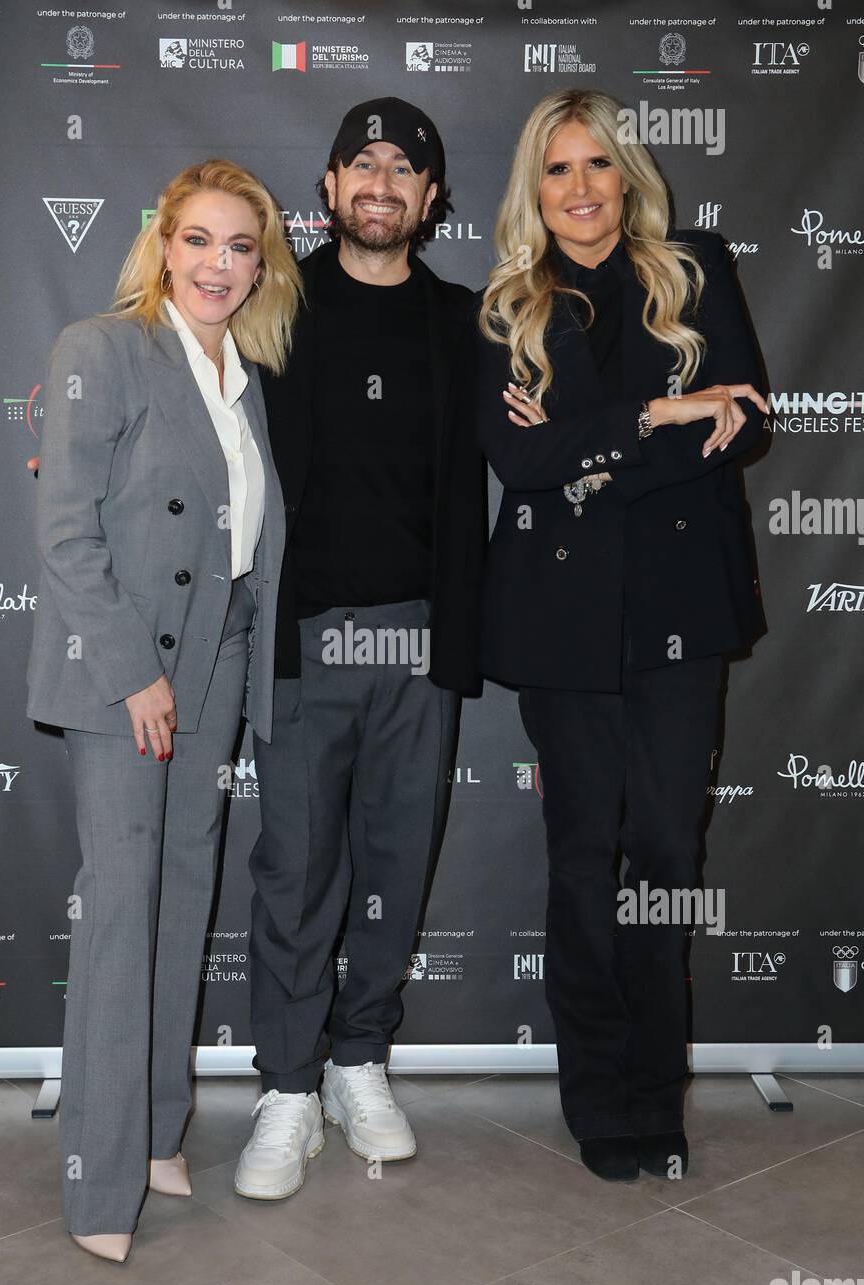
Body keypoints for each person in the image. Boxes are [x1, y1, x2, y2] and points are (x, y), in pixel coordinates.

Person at [476, 89, 770, 1182]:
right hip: (561, 626)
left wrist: (591, 449)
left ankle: (661, 1090)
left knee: (665, 855)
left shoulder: (694, 265)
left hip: (682, 612)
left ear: (629, 172)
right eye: (558, 169)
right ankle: (601, 1096)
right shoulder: (507, 304)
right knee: (582, 860)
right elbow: (521, 467)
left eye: (599, 164)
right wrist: (658, 417)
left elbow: (748, 420)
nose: (582, 189)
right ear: (533, 187)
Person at [26, 159, 300, 1258]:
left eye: (240, 246)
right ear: (162, 245)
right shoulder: (102, 349)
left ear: (261, 263)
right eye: (198, 239)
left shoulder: (245, 371)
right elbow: (67, 535)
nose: (218, 264)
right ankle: (98, 1185)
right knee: (124, 909)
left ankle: (152, 1133)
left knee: (184, 897)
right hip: (125, 671)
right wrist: (134, 670)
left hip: (219, 660)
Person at [234, 97, 487, 1199]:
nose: (382, 182)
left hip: (420, 643)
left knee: (392, 870)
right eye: (363, 164)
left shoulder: (466, 322)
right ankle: (286, 1085)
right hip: (301, 644)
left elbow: (562, 416)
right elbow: (174, 365)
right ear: (330, 188)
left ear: (431, 201)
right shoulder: (269, 302)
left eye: (405, 169)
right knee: (296, 871)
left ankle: (357, 1061)